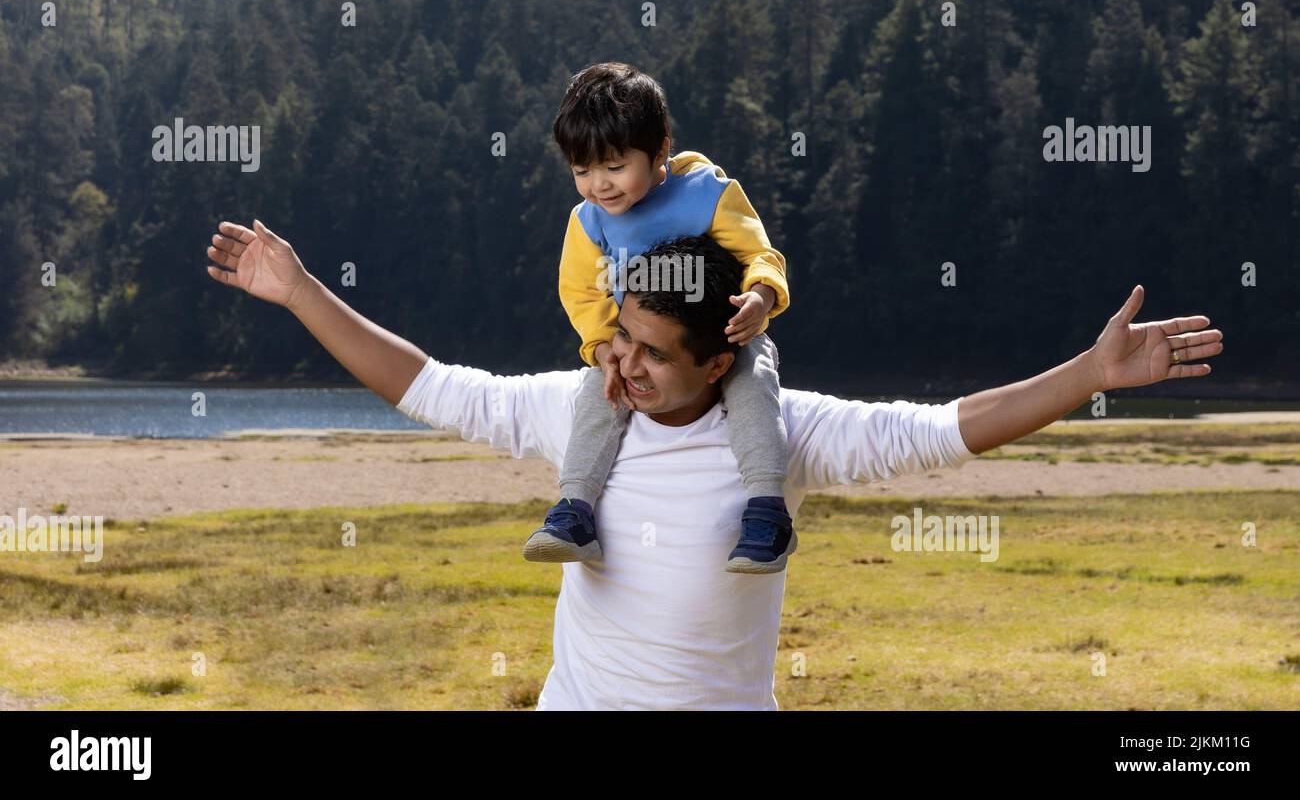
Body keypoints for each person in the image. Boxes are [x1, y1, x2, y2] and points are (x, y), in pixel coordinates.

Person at [205, 226, 1223, 709]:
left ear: (720, 360)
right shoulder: (578, 411)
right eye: (616, 339)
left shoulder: (782, 438)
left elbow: (948, 427)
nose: (621, 365)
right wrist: (299, 292)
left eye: (650, 352)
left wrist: (1088, 373)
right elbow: (426, 382)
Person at [535, 62, 793, 574]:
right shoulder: (587, 222)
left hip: (723, 335)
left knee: (753, 386)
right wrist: (603, 346)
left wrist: (761, 299)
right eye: (581, 170)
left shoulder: (709, 192)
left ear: (659, 151)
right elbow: (583, 294)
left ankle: (767, 509)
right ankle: (575, 511)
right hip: (635, 341)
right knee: (599, 393)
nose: (598, 186)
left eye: (612, 166)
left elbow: (761, 255)